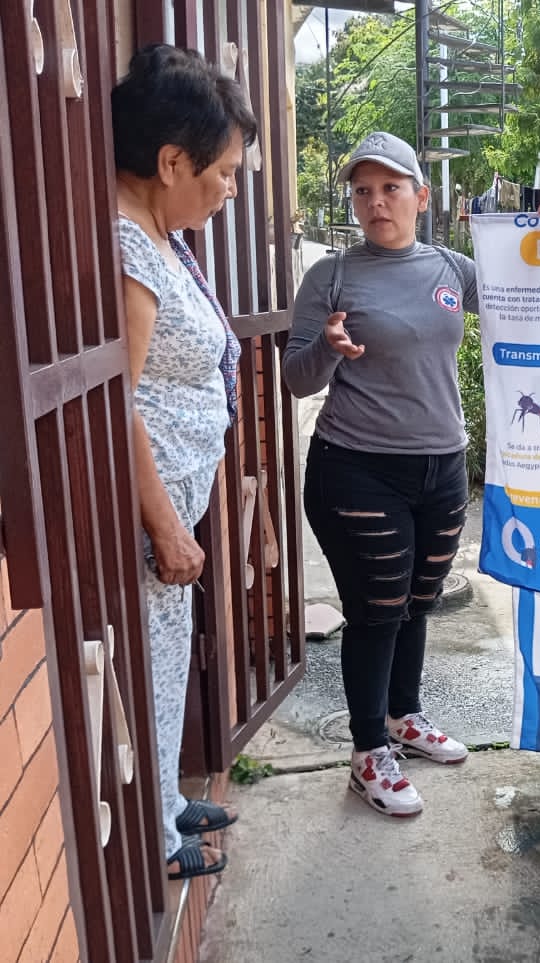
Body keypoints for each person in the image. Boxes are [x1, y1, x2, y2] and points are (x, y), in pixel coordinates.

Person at [284, 131, 476, 818]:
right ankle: (368, 753)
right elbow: (293, 379)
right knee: (376, 612)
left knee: (417, 603)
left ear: (421, 197)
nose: (375, 201)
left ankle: (404, 715)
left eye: (390, 188)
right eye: (362, 190)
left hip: (443, 466)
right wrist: (329, 349)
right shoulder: (330, 277)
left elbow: (529, 295)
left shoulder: (453, 269)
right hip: (355, 471)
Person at [112, 44, 257, 880]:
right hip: (145, 519)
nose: (231, 189)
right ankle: (153, 838)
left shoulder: (155, 233)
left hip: (168, 507)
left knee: (167, 660)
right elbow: (116, 402)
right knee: (149, 667)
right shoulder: (128, 250)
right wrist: (167, 525)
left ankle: (165, 799)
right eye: (225, 172)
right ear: (172, 162)